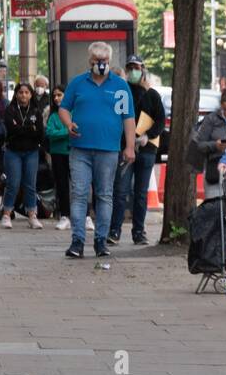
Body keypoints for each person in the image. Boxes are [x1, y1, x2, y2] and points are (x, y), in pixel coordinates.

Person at [57, 42, 136, 259]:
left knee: (104, 195)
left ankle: (101, 240)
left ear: (109, 62)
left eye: (104, 62)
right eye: (96, 62)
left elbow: (128, 118)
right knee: (80, 194)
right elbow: (63, 108)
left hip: (108, 149)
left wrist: (129, 146)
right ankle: (78, 241)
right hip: (80, 149)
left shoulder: (120, 86)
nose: (100, 65)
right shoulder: (78, 83)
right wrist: (68, 123)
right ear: (90, 61)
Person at [108, 55, 165, 247]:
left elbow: (160, 120)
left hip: (146, 149)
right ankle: (114, 230)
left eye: (136, 67)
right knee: (120, 190)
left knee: (140, 193)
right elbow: (117, 119)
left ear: (143, 70)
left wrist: (148, 135)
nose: (133, 71)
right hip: (126, 149)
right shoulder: (123, 94)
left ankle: (138, 232)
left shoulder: (152, 95)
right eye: (130, 67)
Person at [0, 81, 47, 228]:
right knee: (13, 183)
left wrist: (22, 128)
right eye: (20, 92)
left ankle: (32, 215)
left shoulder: (36, 111)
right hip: (13, 152)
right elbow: (11, 130)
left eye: (26, 92)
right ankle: (6, 214)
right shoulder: (10, 110)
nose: (23, 95)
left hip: (31, 151)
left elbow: (39, 133)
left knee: (30, 184)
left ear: (31, 94)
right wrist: (28, 129)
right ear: (16, 94)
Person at [193, 87, 226, 200]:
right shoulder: (211, 119)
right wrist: (215, 145)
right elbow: (199, 145)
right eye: (225, 109)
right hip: (214, 169)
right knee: (214, 207)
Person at [46, 86, 73, 233]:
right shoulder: (52, 116)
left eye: (59, 95)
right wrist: (67, 131)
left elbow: (76, 129)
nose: (56, 98)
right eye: (54, 96)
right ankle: (65, 216)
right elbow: (50, 132)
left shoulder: (74, 112)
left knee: (78, 185)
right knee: (62, 186)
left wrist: (61, 132)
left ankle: (85, 216)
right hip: (57, 153)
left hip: (73, 153)